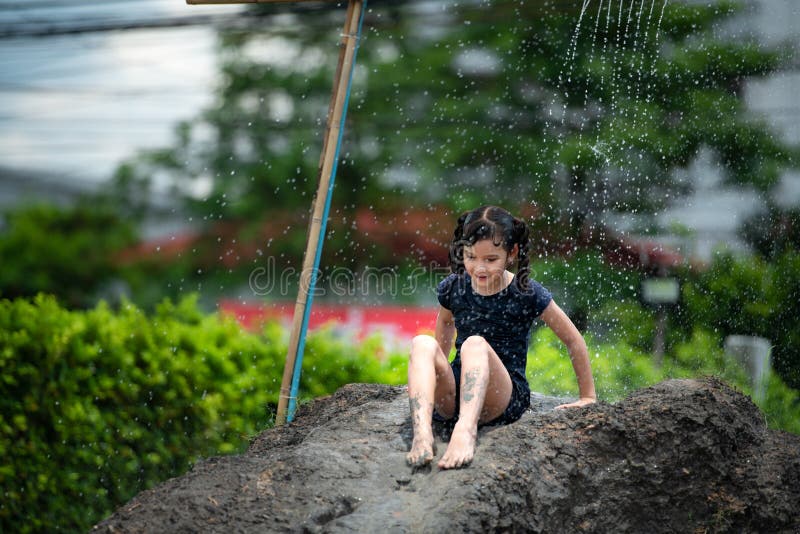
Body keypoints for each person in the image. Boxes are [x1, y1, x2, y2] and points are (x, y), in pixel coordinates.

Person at [406, 205, 596, 469]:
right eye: (471, 257)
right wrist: (430, 379)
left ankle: (466, 431)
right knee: (421, 343)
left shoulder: (526, 291)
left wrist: (587, 397)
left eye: (491, 259)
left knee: (475, 344)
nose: (479, 268)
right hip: (459, 392)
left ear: (512, 253)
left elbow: (573, 339)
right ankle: (423, 433)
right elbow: (446, 327)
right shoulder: (455, 287)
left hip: (501, 396)